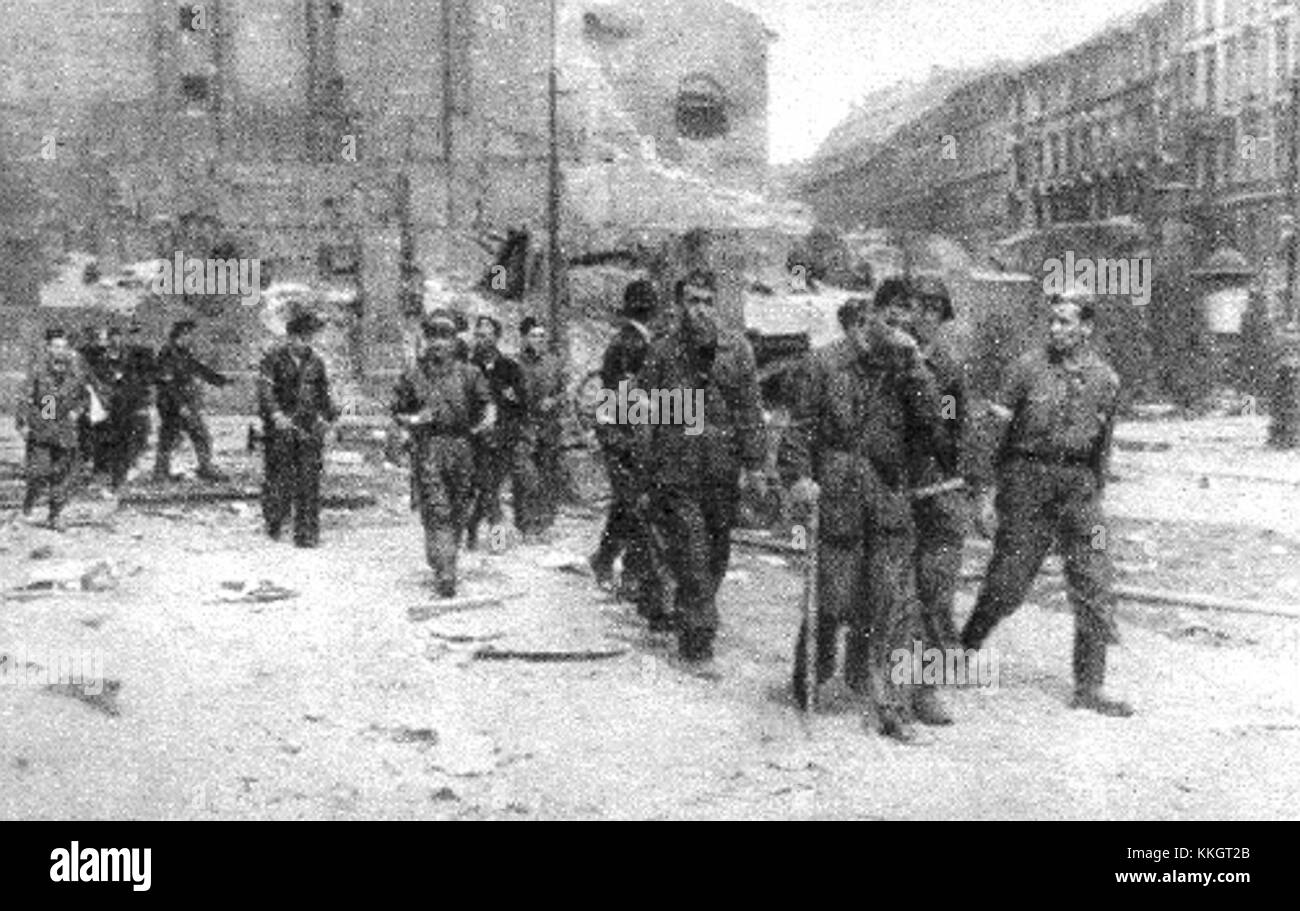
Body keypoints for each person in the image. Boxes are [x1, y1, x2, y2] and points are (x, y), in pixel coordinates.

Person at [780, 296, 947, 742]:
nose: (896, 331)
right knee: (833, 600)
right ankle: (809, 678)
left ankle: (891, 708)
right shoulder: (825, 363)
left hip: (888, 497)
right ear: (868, 318)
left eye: (904, 325)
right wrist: (798, 478)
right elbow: (800, 429)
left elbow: (932, 425)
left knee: (895, 605)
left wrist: (913, 366)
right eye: (888, 321)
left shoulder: (907, 369)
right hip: (837, 495)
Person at [960, 290, 1133, 717]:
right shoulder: (1025, 369)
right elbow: (991, 434)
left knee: (1095, 581)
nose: (1056, 329)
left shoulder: (1106, 380)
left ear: (1086, 328)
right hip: (1027, 485)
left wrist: (1094, 499)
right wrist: (984, 492)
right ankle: (961, 651)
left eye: (1066, 322)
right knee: (1008, 584)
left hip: (1080, 491)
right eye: (1053, 321)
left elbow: (1103, 447)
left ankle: (1090, 686)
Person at [635, 270, 767, 662]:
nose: (701, 310)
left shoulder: (737, 350)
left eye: (708, 301)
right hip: (676, 469)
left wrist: (756, 465)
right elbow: (637, 403)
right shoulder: (663, 351)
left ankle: (691, 607)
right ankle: (697, 637)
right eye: (693, 301)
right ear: (679, 306)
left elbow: (749, 409)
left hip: (721, 471)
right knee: (692, 552)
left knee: (716, 553)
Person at [875, 276, 969, 711]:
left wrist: (968, 485)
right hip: (892, 488)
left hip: (936, 490)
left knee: (934, 593)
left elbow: (952, 426)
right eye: (919, 308)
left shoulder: (949, 367)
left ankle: (925, 689)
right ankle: (881, 681)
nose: (925, 318)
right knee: (893, 592)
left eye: (935, 311)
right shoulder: (884, 360)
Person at [392, 310, 495, 597]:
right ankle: (445, 571)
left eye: (445, 336)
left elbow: (487, 402)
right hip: (429, 448)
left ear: (454, 341)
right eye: (433, 336)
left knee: (460, 508)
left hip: (463, 448)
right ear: (426, 340)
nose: (438, 343)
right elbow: (397, 412)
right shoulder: (414, 375)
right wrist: (415, 420)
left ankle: (444, 557)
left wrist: (488, 418)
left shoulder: (469, 373)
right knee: (438, 509)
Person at [589, 280, 660, 606]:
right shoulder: (629, 344)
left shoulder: (637, 342)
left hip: (629, 435)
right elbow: (622, 397)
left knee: (626, 505)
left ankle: (605, 559)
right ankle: (630, 573)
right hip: (626, 436)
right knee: (634, 507)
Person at [257, 311, 338, 548]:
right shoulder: (272, 359)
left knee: (309, 480)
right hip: (281, 428)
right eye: (301, 337)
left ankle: (307, 533)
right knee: (278, 477)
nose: (305, 342)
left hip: (308, 427)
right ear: (289, 337)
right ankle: (274, 520)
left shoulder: (316, 361)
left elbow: (326, 394)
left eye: (309, 337)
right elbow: (265, 390)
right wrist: (275, 415)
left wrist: (328, 417)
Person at [17, 329, 91, 530]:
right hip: (42, 429)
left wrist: (78, 411)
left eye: (64, 347)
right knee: (39, 473)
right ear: (48, 348)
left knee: (62, 474)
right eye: (56, 346)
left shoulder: (75, 373)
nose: (60, 351)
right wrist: (23, 423)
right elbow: (25, 398)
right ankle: (28, 504)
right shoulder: (38, 371)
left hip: (65, 431)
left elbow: (84, 397)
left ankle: (54, 515)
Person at [466, 315, 528, 550]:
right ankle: (497, 540)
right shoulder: (469, 368)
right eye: (479, 335)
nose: (482, 340)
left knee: (489, 489)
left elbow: (522, 404)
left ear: (497, 337)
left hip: (503, 437)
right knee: (488, 487)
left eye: (487, 335)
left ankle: (471, 526)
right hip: (477, 437)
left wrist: (513, 432)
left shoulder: (510, 368)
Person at [153, 319, 231, 483]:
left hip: (181, 404)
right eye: (189, 334)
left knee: (170, 436)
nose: (192, 338)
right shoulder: (167, 354)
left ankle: (161, 473)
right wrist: (181, 405)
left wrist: (220, 381)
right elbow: (167, 385)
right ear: (181, 335)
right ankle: (204, 468)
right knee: (198, 434)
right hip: (173, 405)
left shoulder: (183, 353)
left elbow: (198, 368)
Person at [514, 316, 567, 539]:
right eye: (534, 335)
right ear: (524, 337)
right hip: (523, 426)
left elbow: (564, 391)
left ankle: (543, 525)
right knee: (526, 477)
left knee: (547, 475)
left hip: (548, 426)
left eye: (542, 336)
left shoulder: (554, 362)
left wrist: (553, 401)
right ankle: (525, 525)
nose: (538, 340)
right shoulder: (514, 364)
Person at [92, 325, 156, 492]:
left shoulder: (131, 358)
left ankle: (126, 467)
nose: (114, 340)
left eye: (118, 337)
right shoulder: (102, 359)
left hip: (131, 403)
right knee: (111, 440)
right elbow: (98, 381)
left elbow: (143, 380)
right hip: (110, 405)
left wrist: (144, 399)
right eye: (111, 337)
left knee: (139, 434)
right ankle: (110, 474)